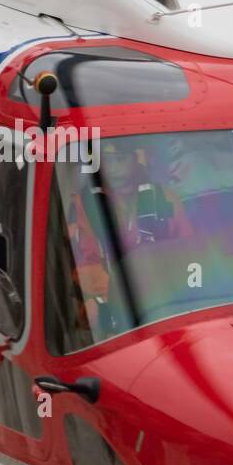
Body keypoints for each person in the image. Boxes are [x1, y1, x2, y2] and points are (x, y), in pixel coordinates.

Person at [66, 137, 192, 337]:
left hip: (163, 304)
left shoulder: (164, 200)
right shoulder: (86, 205)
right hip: (111, 304)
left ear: (136, 160)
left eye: (120, 159)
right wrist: (115, 296)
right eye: (107, 160)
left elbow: (189, 254)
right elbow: (82, 262)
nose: (113, 169)